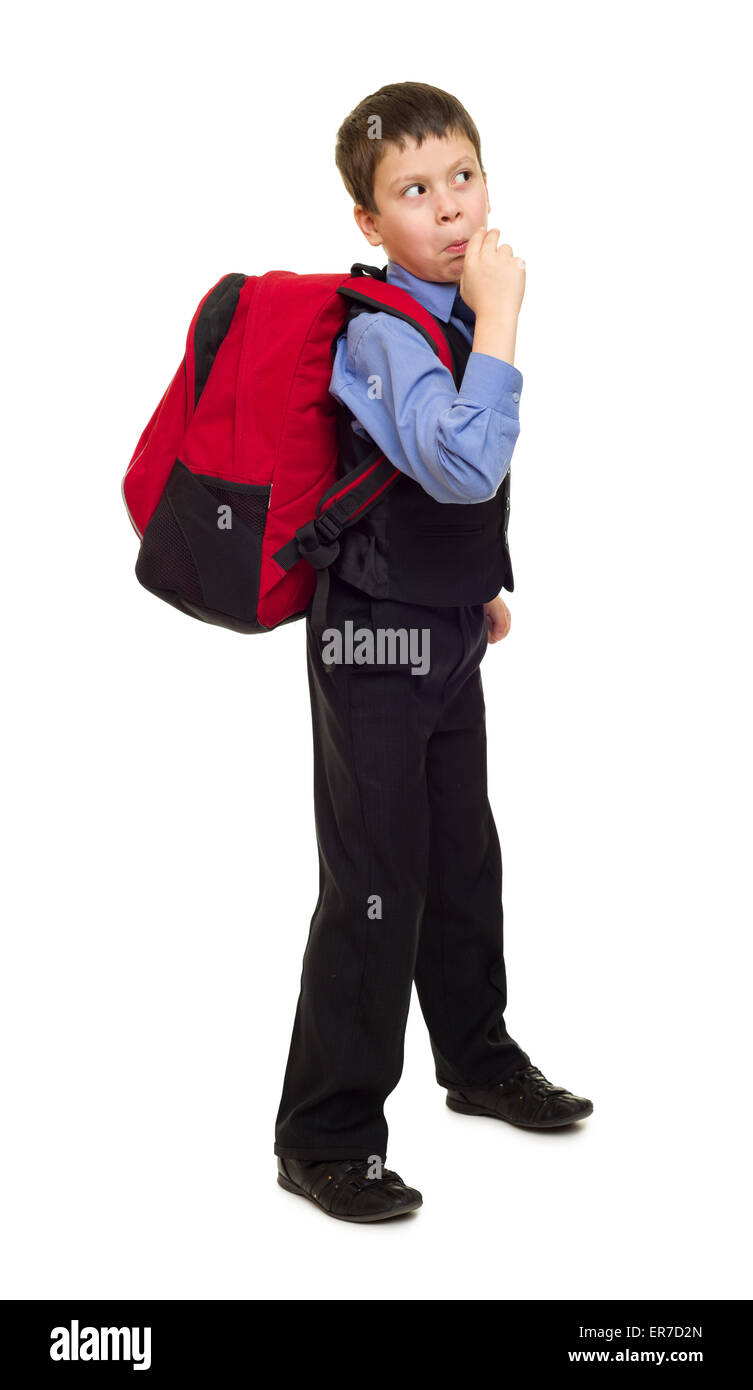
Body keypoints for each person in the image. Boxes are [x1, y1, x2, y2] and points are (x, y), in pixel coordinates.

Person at [274, 81, 592, 1224]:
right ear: (370, 223)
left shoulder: (453, 309)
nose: (451, 209)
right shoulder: (381, 330)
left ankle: (480, 1057)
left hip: (445, 625)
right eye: (415, 191)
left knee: (463, 857)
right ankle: (326, 1133)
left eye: (464, 176)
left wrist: (478, 591)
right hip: (370, 640)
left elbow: (444, 494)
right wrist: (504, 319)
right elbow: (457, 458)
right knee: (376, 885)